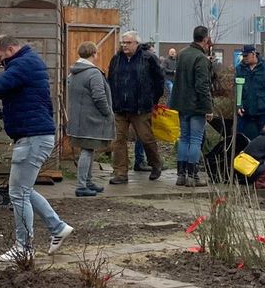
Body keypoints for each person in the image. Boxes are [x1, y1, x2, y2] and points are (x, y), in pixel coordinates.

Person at [0, 35, 74, 261]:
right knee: (24, 190)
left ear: (10, 49)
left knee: (17, 193)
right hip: (35, 135)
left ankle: (24, 247)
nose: (0, 63)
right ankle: (57, 227)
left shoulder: (22, 64)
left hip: (32, 137)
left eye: (0, 58)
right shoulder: (29, 61)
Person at [106, 30, 165, 183]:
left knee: (146, 138)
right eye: (123, 43)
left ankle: (156, 164)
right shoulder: (116, 59)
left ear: (136, 43)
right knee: (118, 141)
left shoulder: (148, 58)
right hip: (120, 107)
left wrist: (152, 100)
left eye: (128, 43)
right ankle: (120, 173)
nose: (124, 45)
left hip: (141, 107)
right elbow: (110, 79)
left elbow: (159, 80)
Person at [67, 41, 115, 197]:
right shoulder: (93, 72)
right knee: (87, 151)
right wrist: (107, 112)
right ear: (94, 54)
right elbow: (99, 96)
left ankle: (88, 182)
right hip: (91, 118)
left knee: (88, 149)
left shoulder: (74, 72)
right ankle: (82, 185)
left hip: (78, 119)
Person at [169, 25, 214, 188]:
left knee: (184, 138)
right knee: (195, 139)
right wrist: (208, 108)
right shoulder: (200, 58)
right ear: (206, 39)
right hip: (196, 106)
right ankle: (193, 176)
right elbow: (202, 85)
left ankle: (181, 175)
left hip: (181, 104)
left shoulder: (182, 54)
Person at [235, 45, 265, 140]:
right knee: (241, 138)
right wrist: (239, 105)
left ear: (254, 54)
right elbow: (237, 89)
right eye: (243, 56)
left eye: (247, 55)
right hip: (245, 112)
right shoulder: (240, 68)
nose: (245, 58)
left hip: (263, 111)